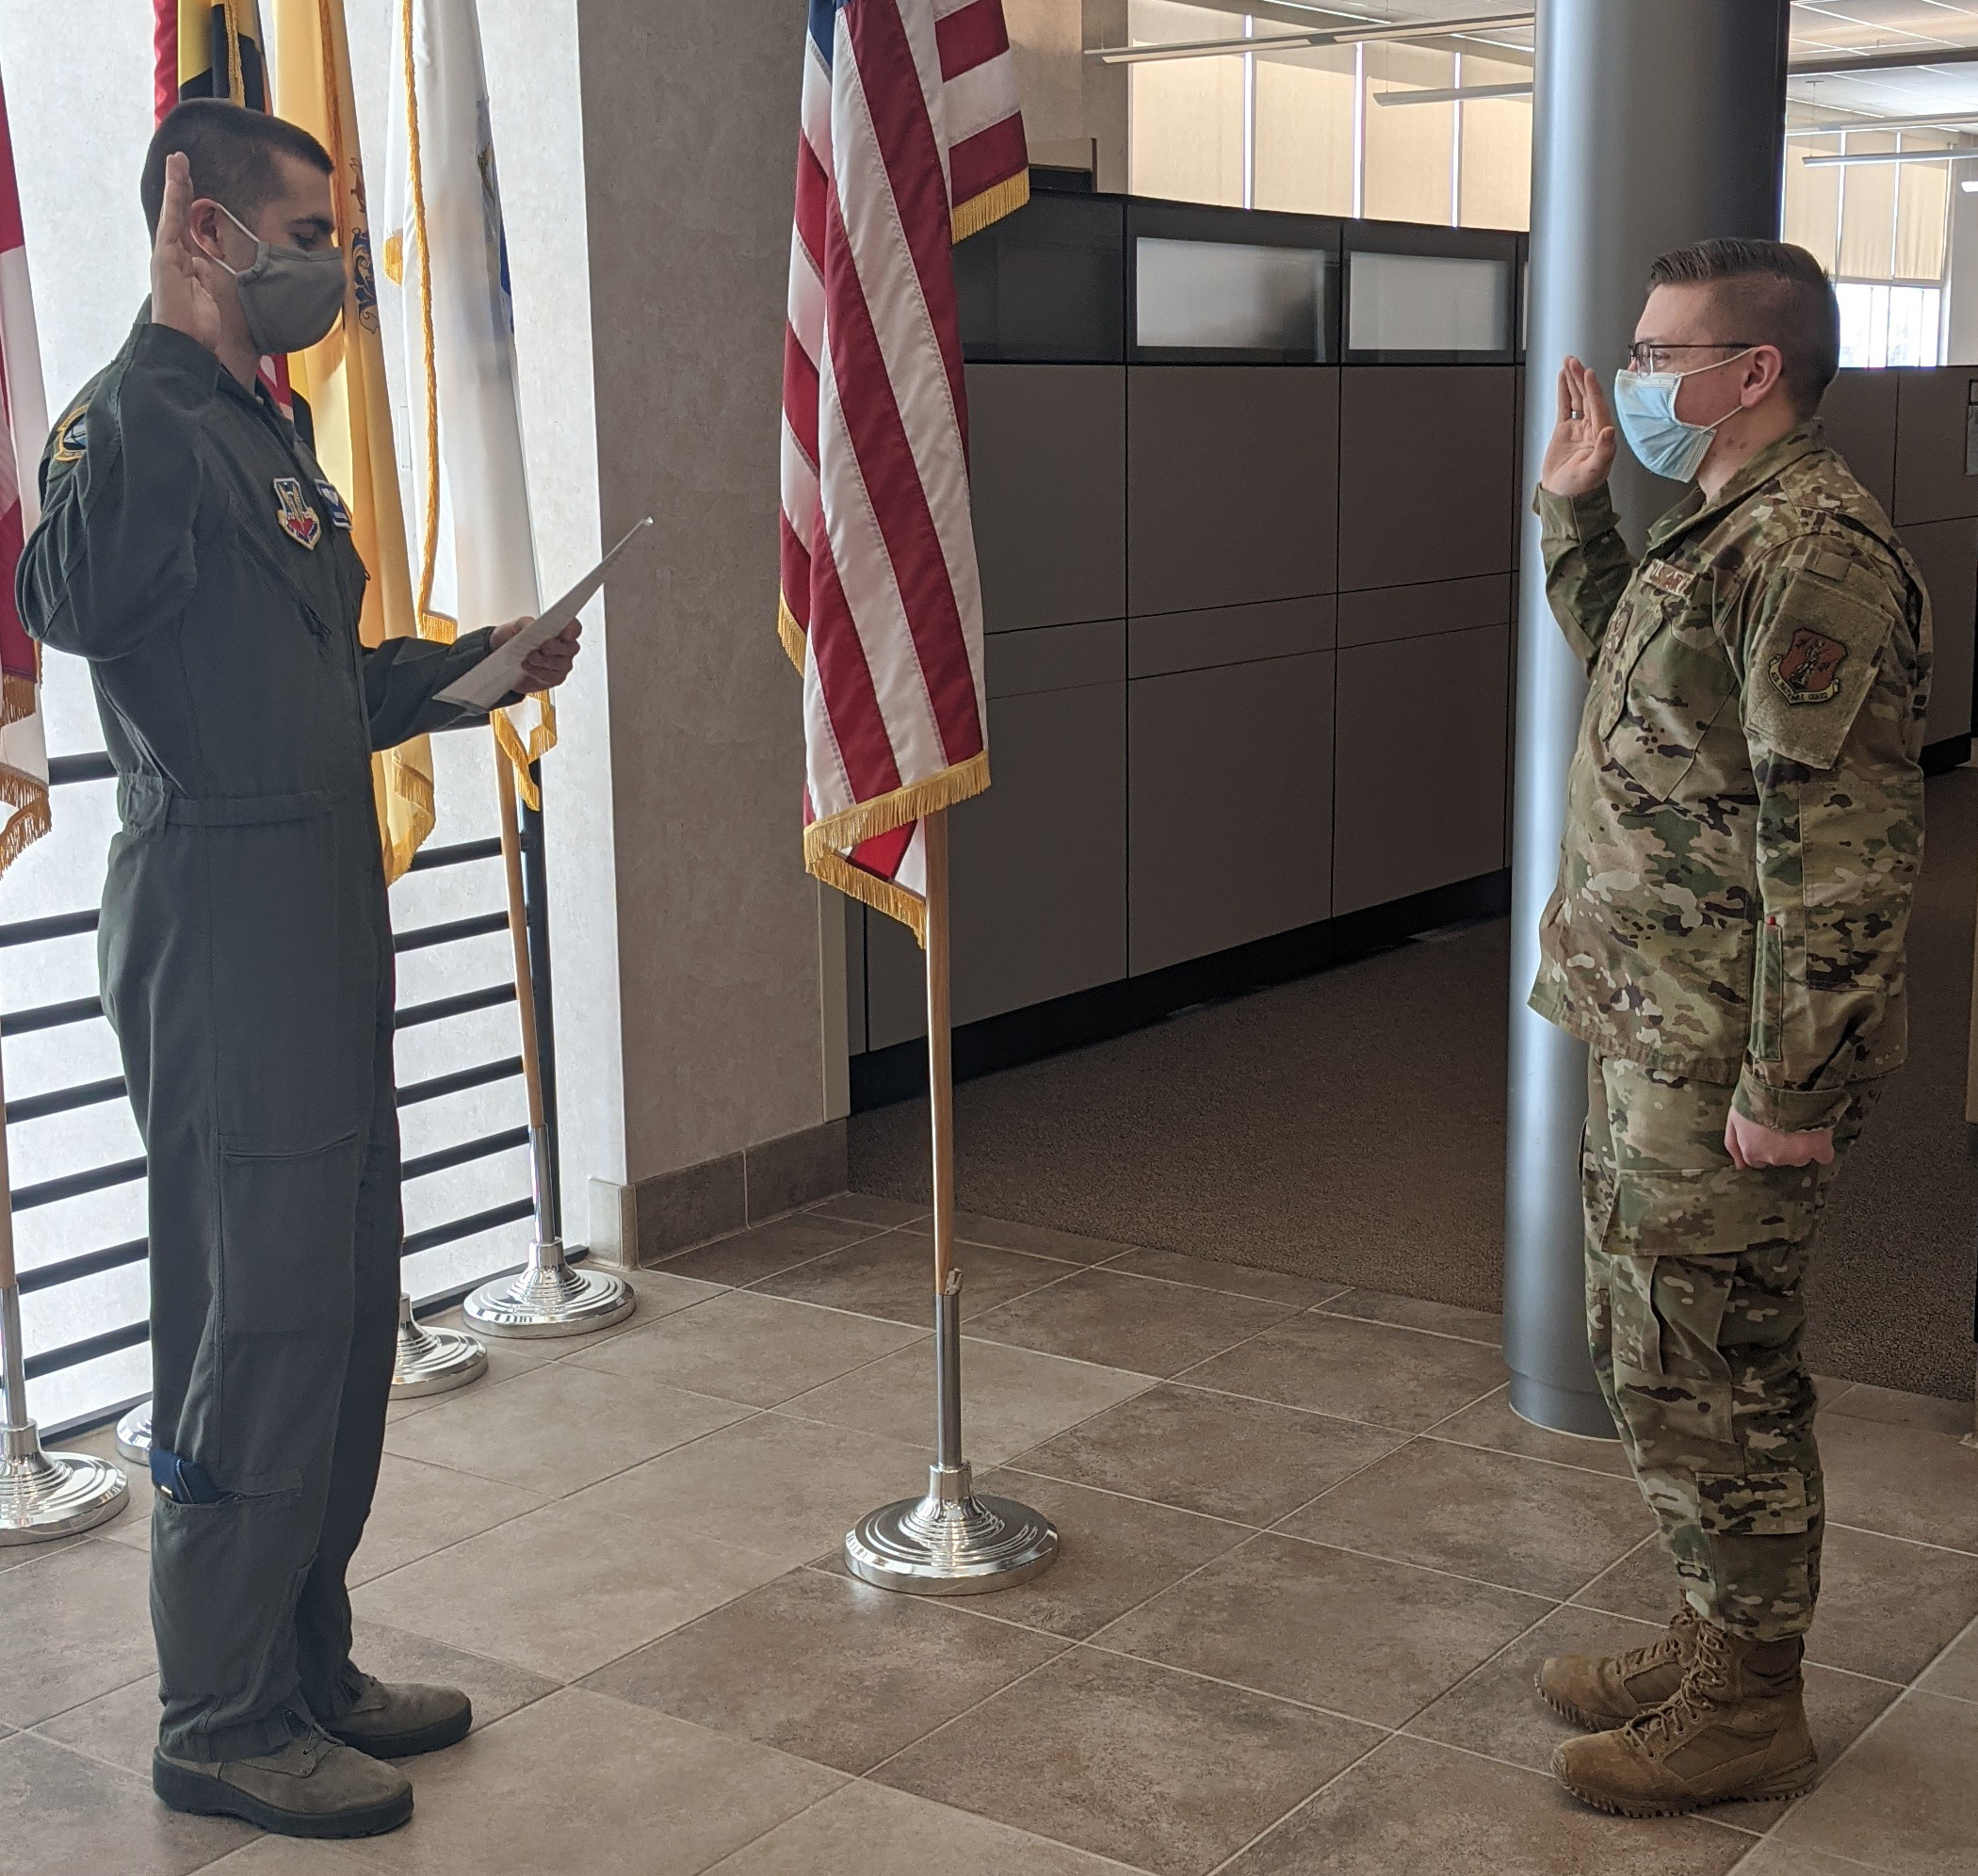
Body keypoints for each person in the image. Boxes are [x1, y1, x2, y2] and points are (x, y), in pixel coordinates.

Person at [16, 100, 580, 1838]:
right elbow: (66, 600)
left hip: (319, 908)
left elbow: (316, 677)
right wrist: (161, 372)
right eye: (305, 233)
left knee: (339, 1298)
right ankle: (216, 1708)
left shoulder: (273, 431)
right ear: (203, 229)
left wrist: (467, 669)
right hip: (219, 921)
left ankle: (303, 1654)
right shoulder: (137, 425)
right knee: (249, 1314)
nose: (331, 266)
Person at [1526, 236, 1929, 1818]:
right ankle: (1714, 1634)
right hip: (1659, 1030)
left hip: (1725, 1062)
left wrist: (1791, 1078)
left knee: (1721, 1370)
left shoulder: (1817, 551)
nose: (1633, 381)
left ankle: (1751, 1704)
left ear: (1750, 373)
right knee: (1659, 1356)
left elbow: (1841, 851)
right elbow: (1641, 682)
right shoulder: (1723, 525)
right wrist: (1576, 510)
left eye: (1654, 352)